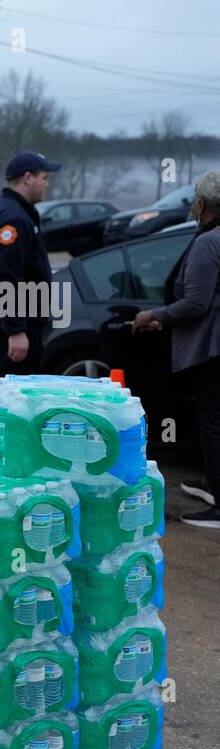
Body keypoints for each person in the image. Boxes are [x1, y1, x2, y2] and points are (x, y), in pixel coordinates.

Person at [132, 170, 220, 529]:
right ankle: (212, 485)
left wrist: (154, 314)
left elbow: (196, 303)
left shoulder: (207, 242)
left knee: (213, 424)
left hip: (211, 349)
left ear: (202, 204)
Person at [0, 151, 61, 389]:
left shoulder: (7, 211)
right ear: (28, 178)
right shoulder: (14, 219)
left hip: (11, 322)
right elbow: (6, 277)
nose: (47, 184)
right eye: (44, 177)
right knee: (12, 399)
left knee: (8, 395)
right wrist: (16, 331)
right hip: (16, 327)